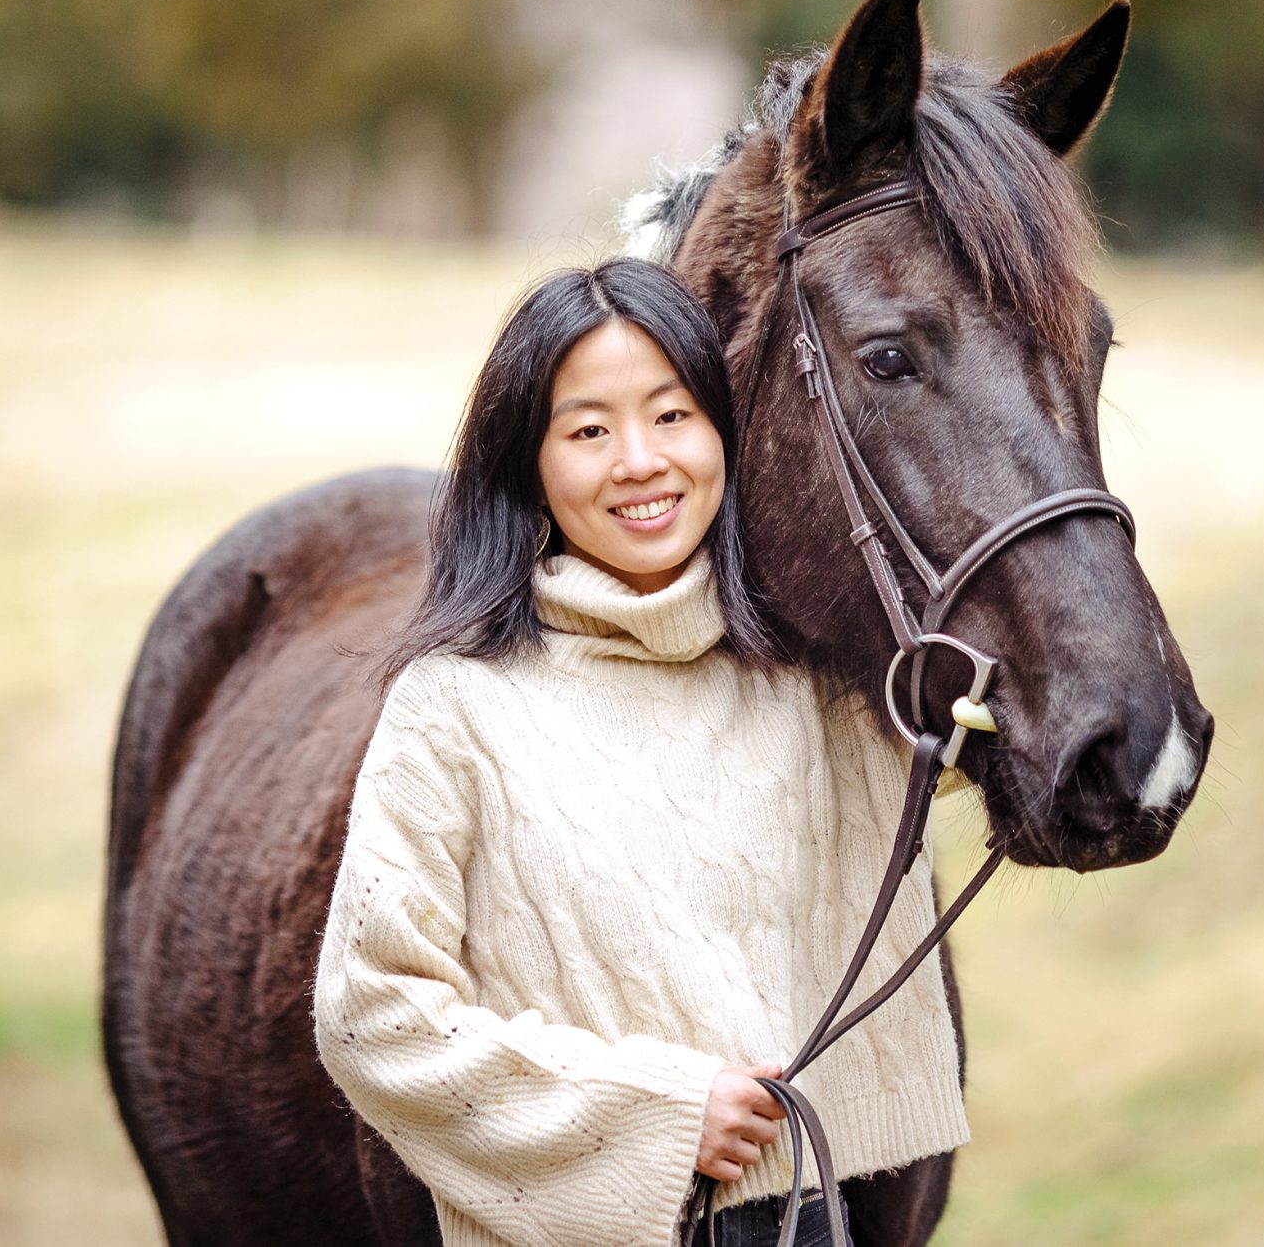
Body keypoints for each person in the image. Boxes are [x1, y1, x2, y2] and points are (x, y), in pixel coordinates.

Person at [312, 257, 970, 1247]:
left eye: (671, 416)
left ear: (723, 433)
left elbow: (978, 743)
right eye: (587, 430)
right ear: (524, 461)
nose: (639, 461)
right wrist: (653, 1117)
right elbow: (370, 1013)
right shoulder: (452, 709)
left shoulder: (811, 682)